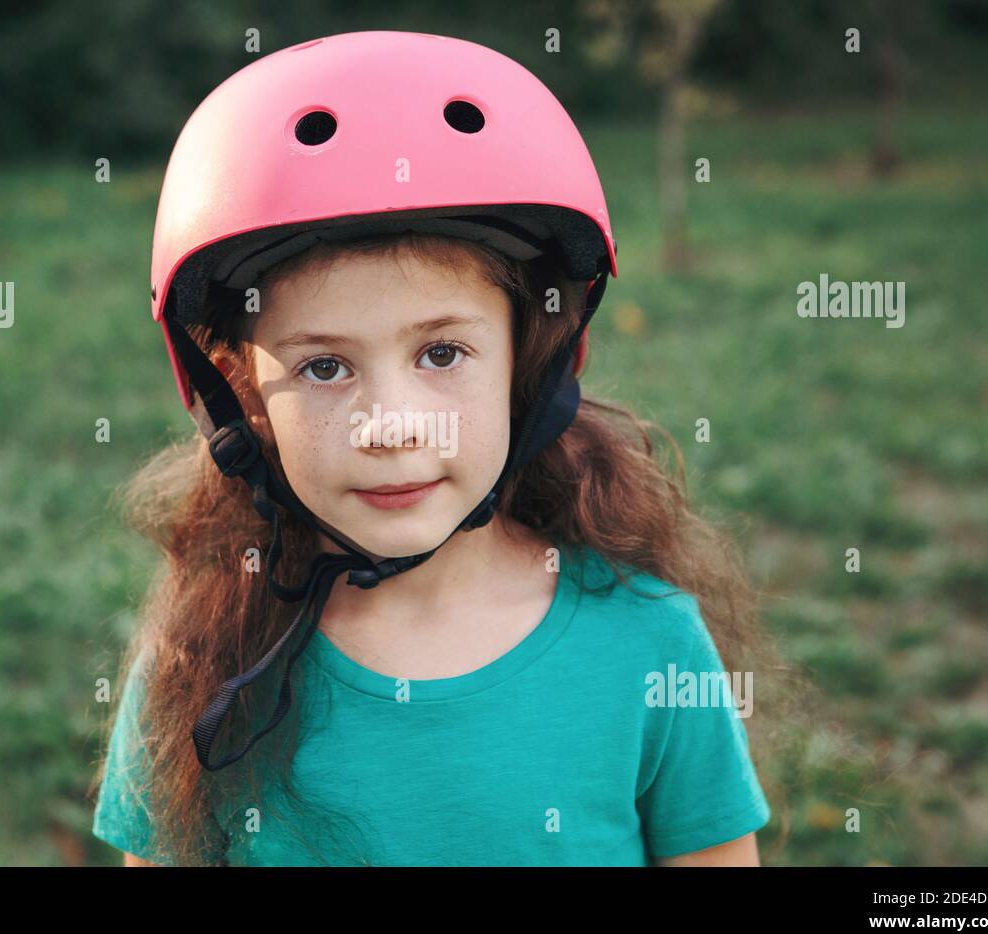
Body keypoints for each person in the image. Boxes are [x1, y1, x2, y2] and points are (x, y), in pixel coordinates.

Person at [91, 30, 778, 866]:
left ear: (531, 364)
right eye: (325, 366)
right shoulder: (205, 662)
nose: (393, 425)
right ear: (239, 397)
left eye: (441, 353)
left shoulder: (650, 645)